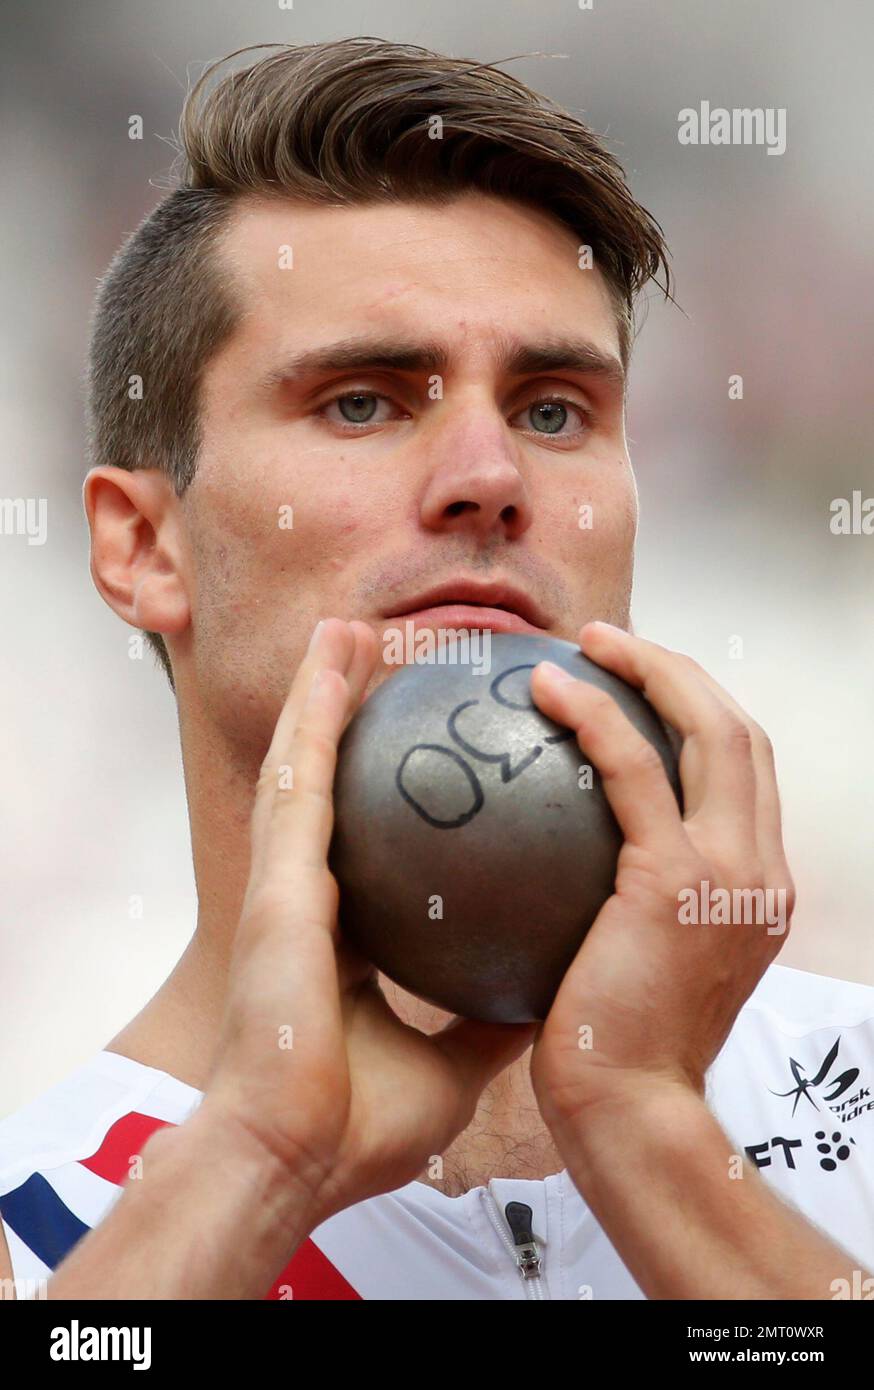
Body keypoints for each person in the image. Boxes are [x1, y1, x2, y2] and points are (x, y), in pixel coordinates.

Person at [2, 37, 873, 1302]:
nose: (490, 478)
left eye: (552, 409)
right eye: (361, 401)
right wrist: (252, 1163)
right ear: (144, 546)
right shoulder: (41, 1234)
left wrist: (649, 1133)